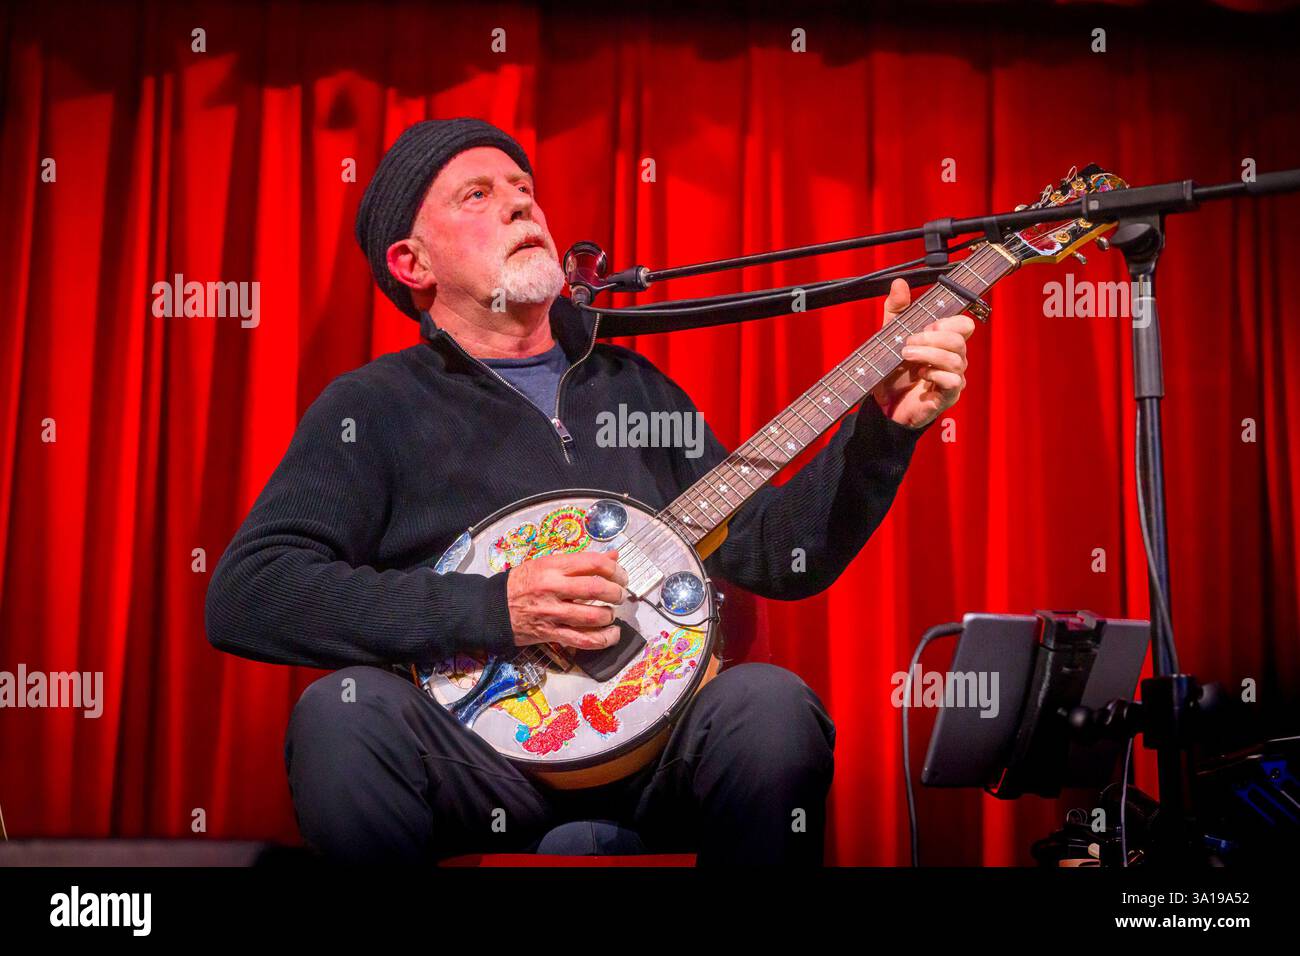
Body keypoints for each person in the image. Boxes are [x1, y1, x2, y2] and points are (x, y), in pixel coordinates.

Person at [204, 117, 975, 865]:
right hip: (478, 761)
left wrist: (882, 430)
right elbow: (251, 593)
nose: (518, 203)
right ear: (413, 263)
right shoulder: (371, 409)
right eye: (476, 195)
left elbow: (779, 557)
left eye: (523, 187)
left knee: (769, 706)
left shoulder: (633, 387)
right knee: (344, 719)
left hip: (654, 755)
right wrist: (490, 608)